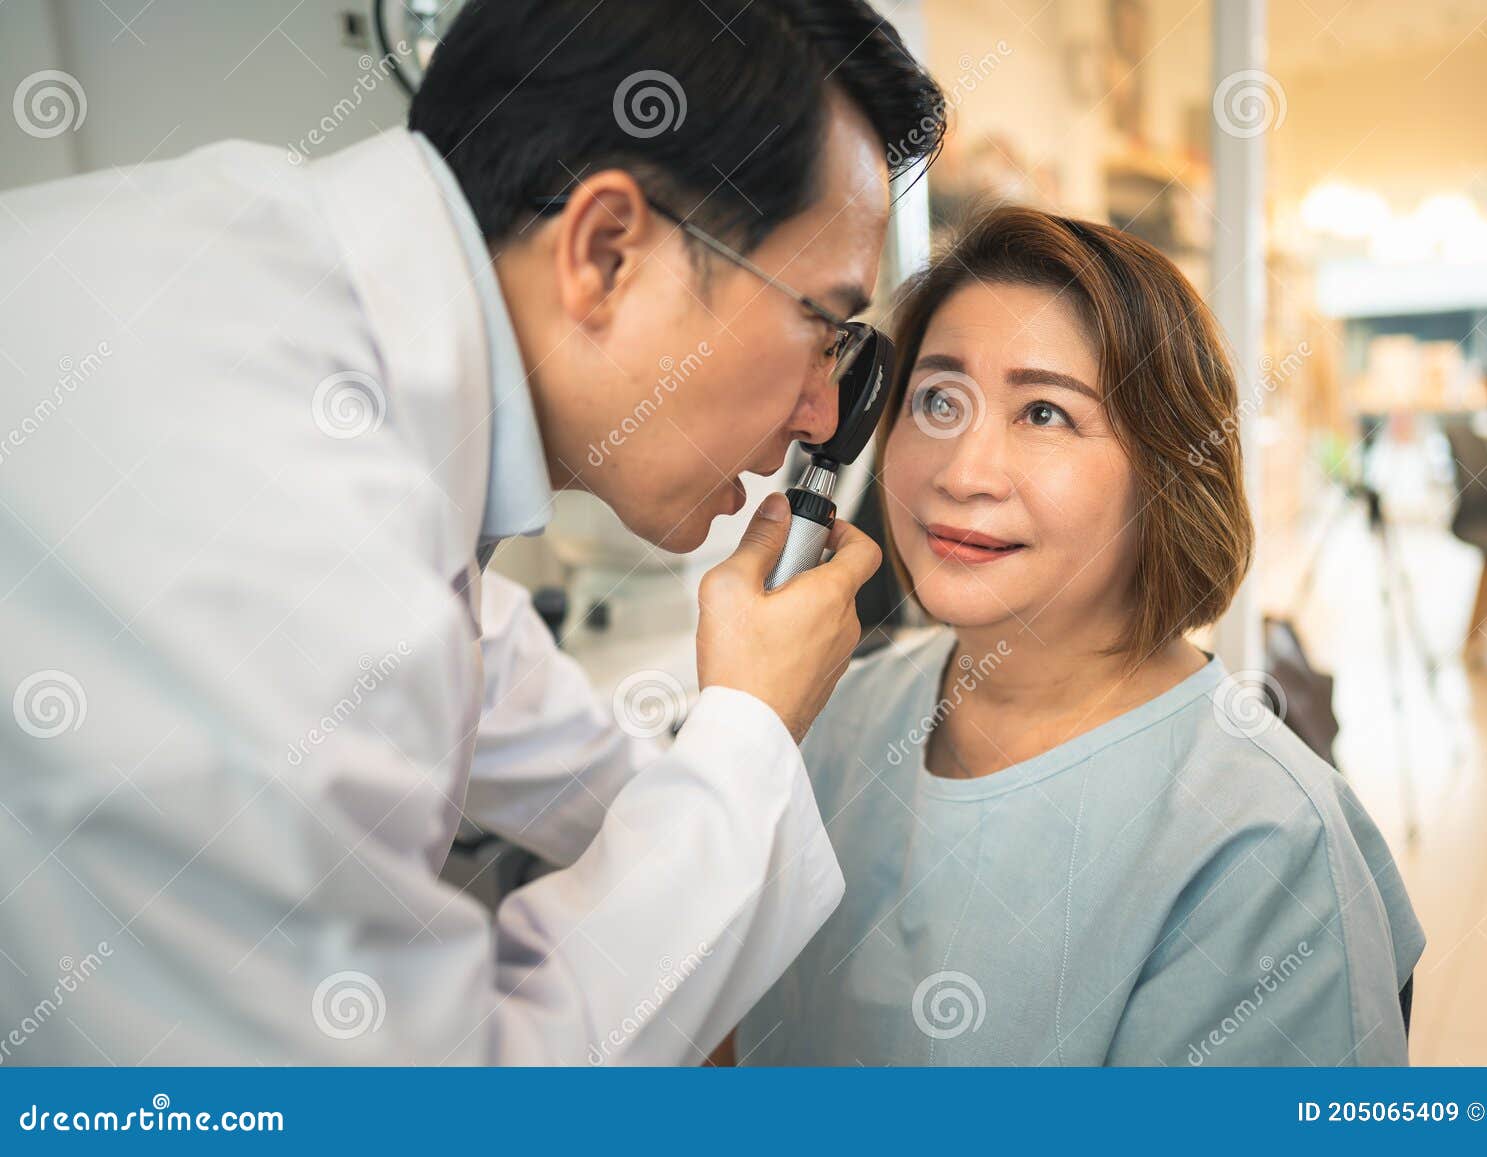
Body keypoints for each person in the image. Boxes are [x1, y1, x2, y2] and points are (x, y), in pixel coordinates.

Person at [0, 0, 944, 1064]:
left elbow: (477, 664)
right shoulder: (273, 519)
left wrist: (719, 780)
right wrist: (745, 735)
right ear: (605, 252)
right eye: (821, 324)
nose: (825, 416)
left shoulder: (285, 295)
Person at [726, 206, 1425, 1066]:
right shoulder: (825, 713)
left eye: (1045, 413)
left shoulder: (1263, 844)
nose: (961, 470)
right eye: (937, 399)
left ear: (1166, 472)